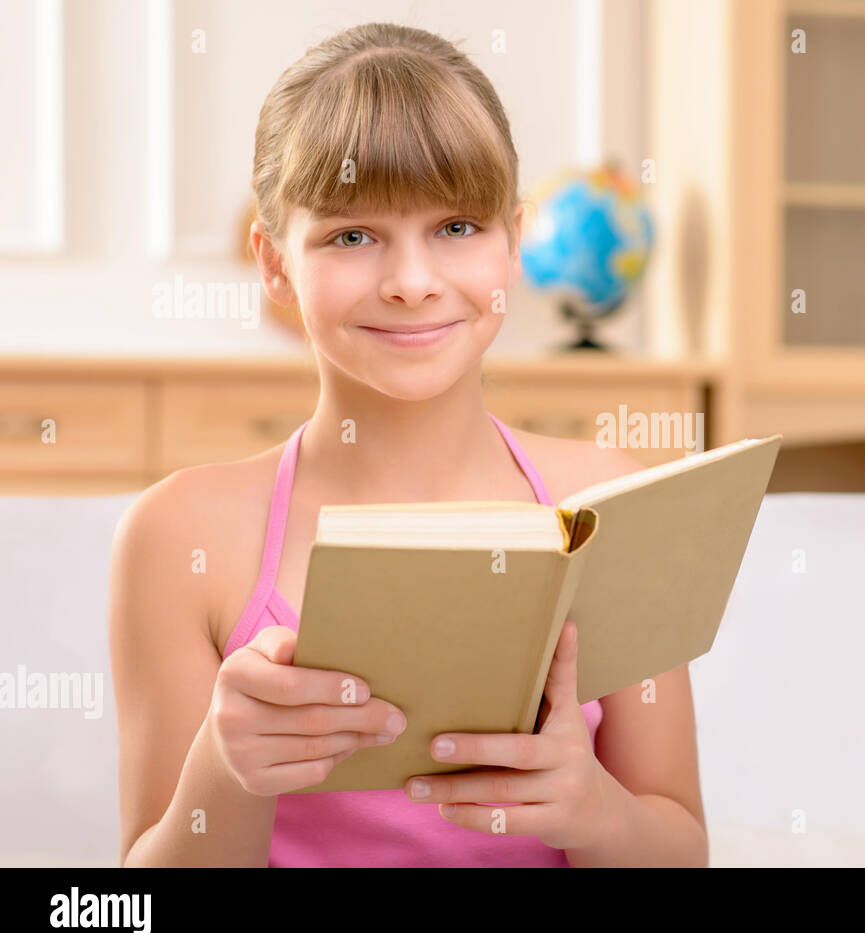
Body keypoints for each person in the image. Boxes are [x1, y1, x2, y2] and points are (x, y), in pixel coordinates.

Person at [109, 22, 706, 867]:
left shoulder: (609, 503)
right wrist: (227, 766)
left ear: (513, 240)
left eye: (458, 227)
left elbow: (682, 848)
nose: (412, 281)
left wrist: (593, 810)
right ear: (274, 264)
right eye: (352, 236)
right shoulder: (178, 535)